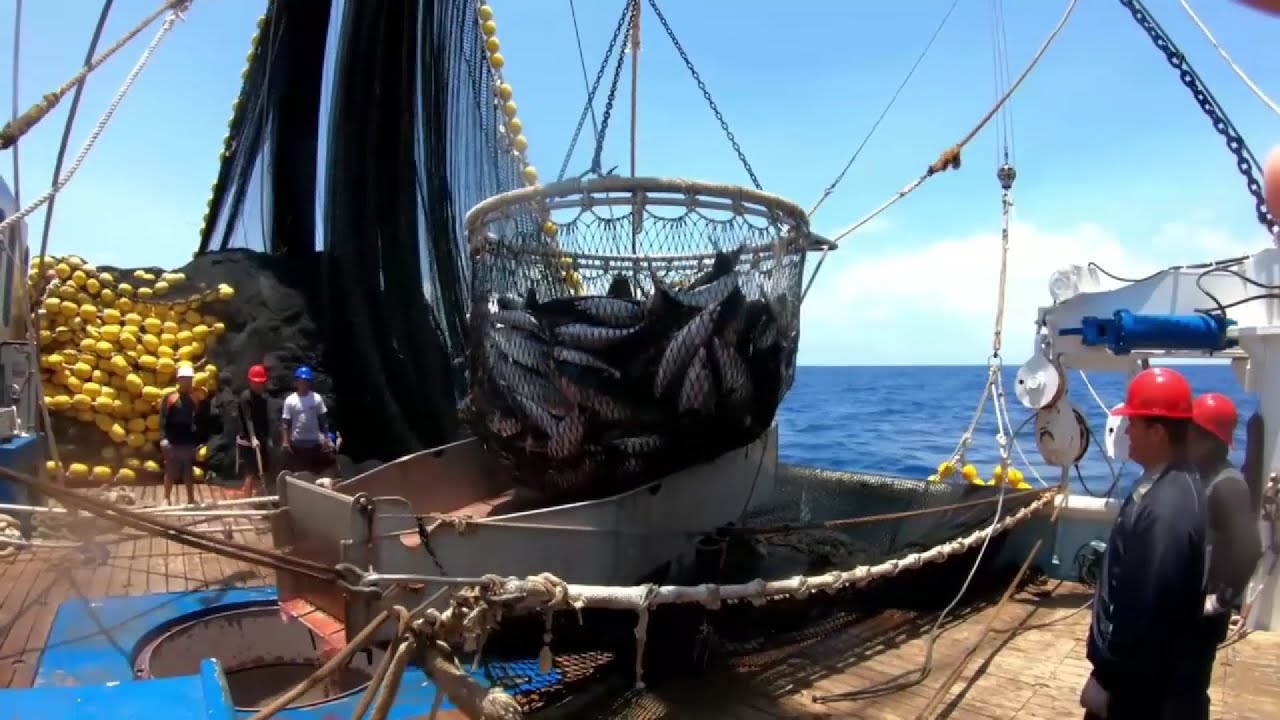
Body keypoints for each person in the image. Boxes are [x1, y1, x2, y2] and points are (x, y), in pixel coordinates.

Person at [1080, 367, 1209, 719]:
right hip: (1143, 682)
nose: (1127, 433)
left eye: (1133, 424)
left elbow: (1147, 602)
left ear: (1157, 432)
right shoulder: (1168, 485)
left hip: (1137, 694)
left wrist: (1105, 679)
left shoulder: (1168, 508)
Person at [1187, 394, 1262, 636]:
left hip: (1203, 616)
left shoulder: (1228, 485)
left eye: (1189, 431)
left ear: (1207, 441)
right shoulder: (1202, 475)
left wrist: (1220, 600)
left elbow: (1250, 548)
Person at [159, 365, 212, 506]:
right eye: (185, 379)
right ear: (179, 380)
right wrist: (164, 439)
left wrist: (198, 442)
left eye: (190, 379)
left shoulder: (194, 399)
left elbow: (197, 421)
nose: (188, 382)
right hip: (173, 441)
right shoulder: (170, 398)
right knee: (170, 471)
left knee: (188, 472)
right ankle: (166, 498)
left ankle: (190, 499)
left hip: (188, 441)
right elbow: (163, 420)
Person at [281, 365, 335, 476]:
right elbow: (285, 422)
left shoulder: (317, 398)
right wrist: (285, 442)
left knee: (315, 472)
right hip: (297, 443)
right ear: (296, 382)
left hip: (314, 442)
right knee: (299, 472)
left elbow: (323, 420)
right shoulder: (290, 400)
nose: (304, 384)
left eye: (306, 381)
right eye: (301, 381)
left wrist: (326, 438)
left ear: (310, 383)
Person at [236, 364, 273, 497]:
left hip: (260, 439)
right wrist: (253, 438)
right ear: (250, 382)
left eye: (261, 383)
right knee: (250, 472)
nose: (258, 386)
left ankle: (258, 499)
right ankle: (247, 500)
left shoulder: (263, 399)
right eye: (256, 383)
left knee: (262, 471)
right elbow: (248, 419)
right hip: (247, 440)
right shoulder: (245, 398)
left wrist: (267, 438)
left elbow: (265, 420)